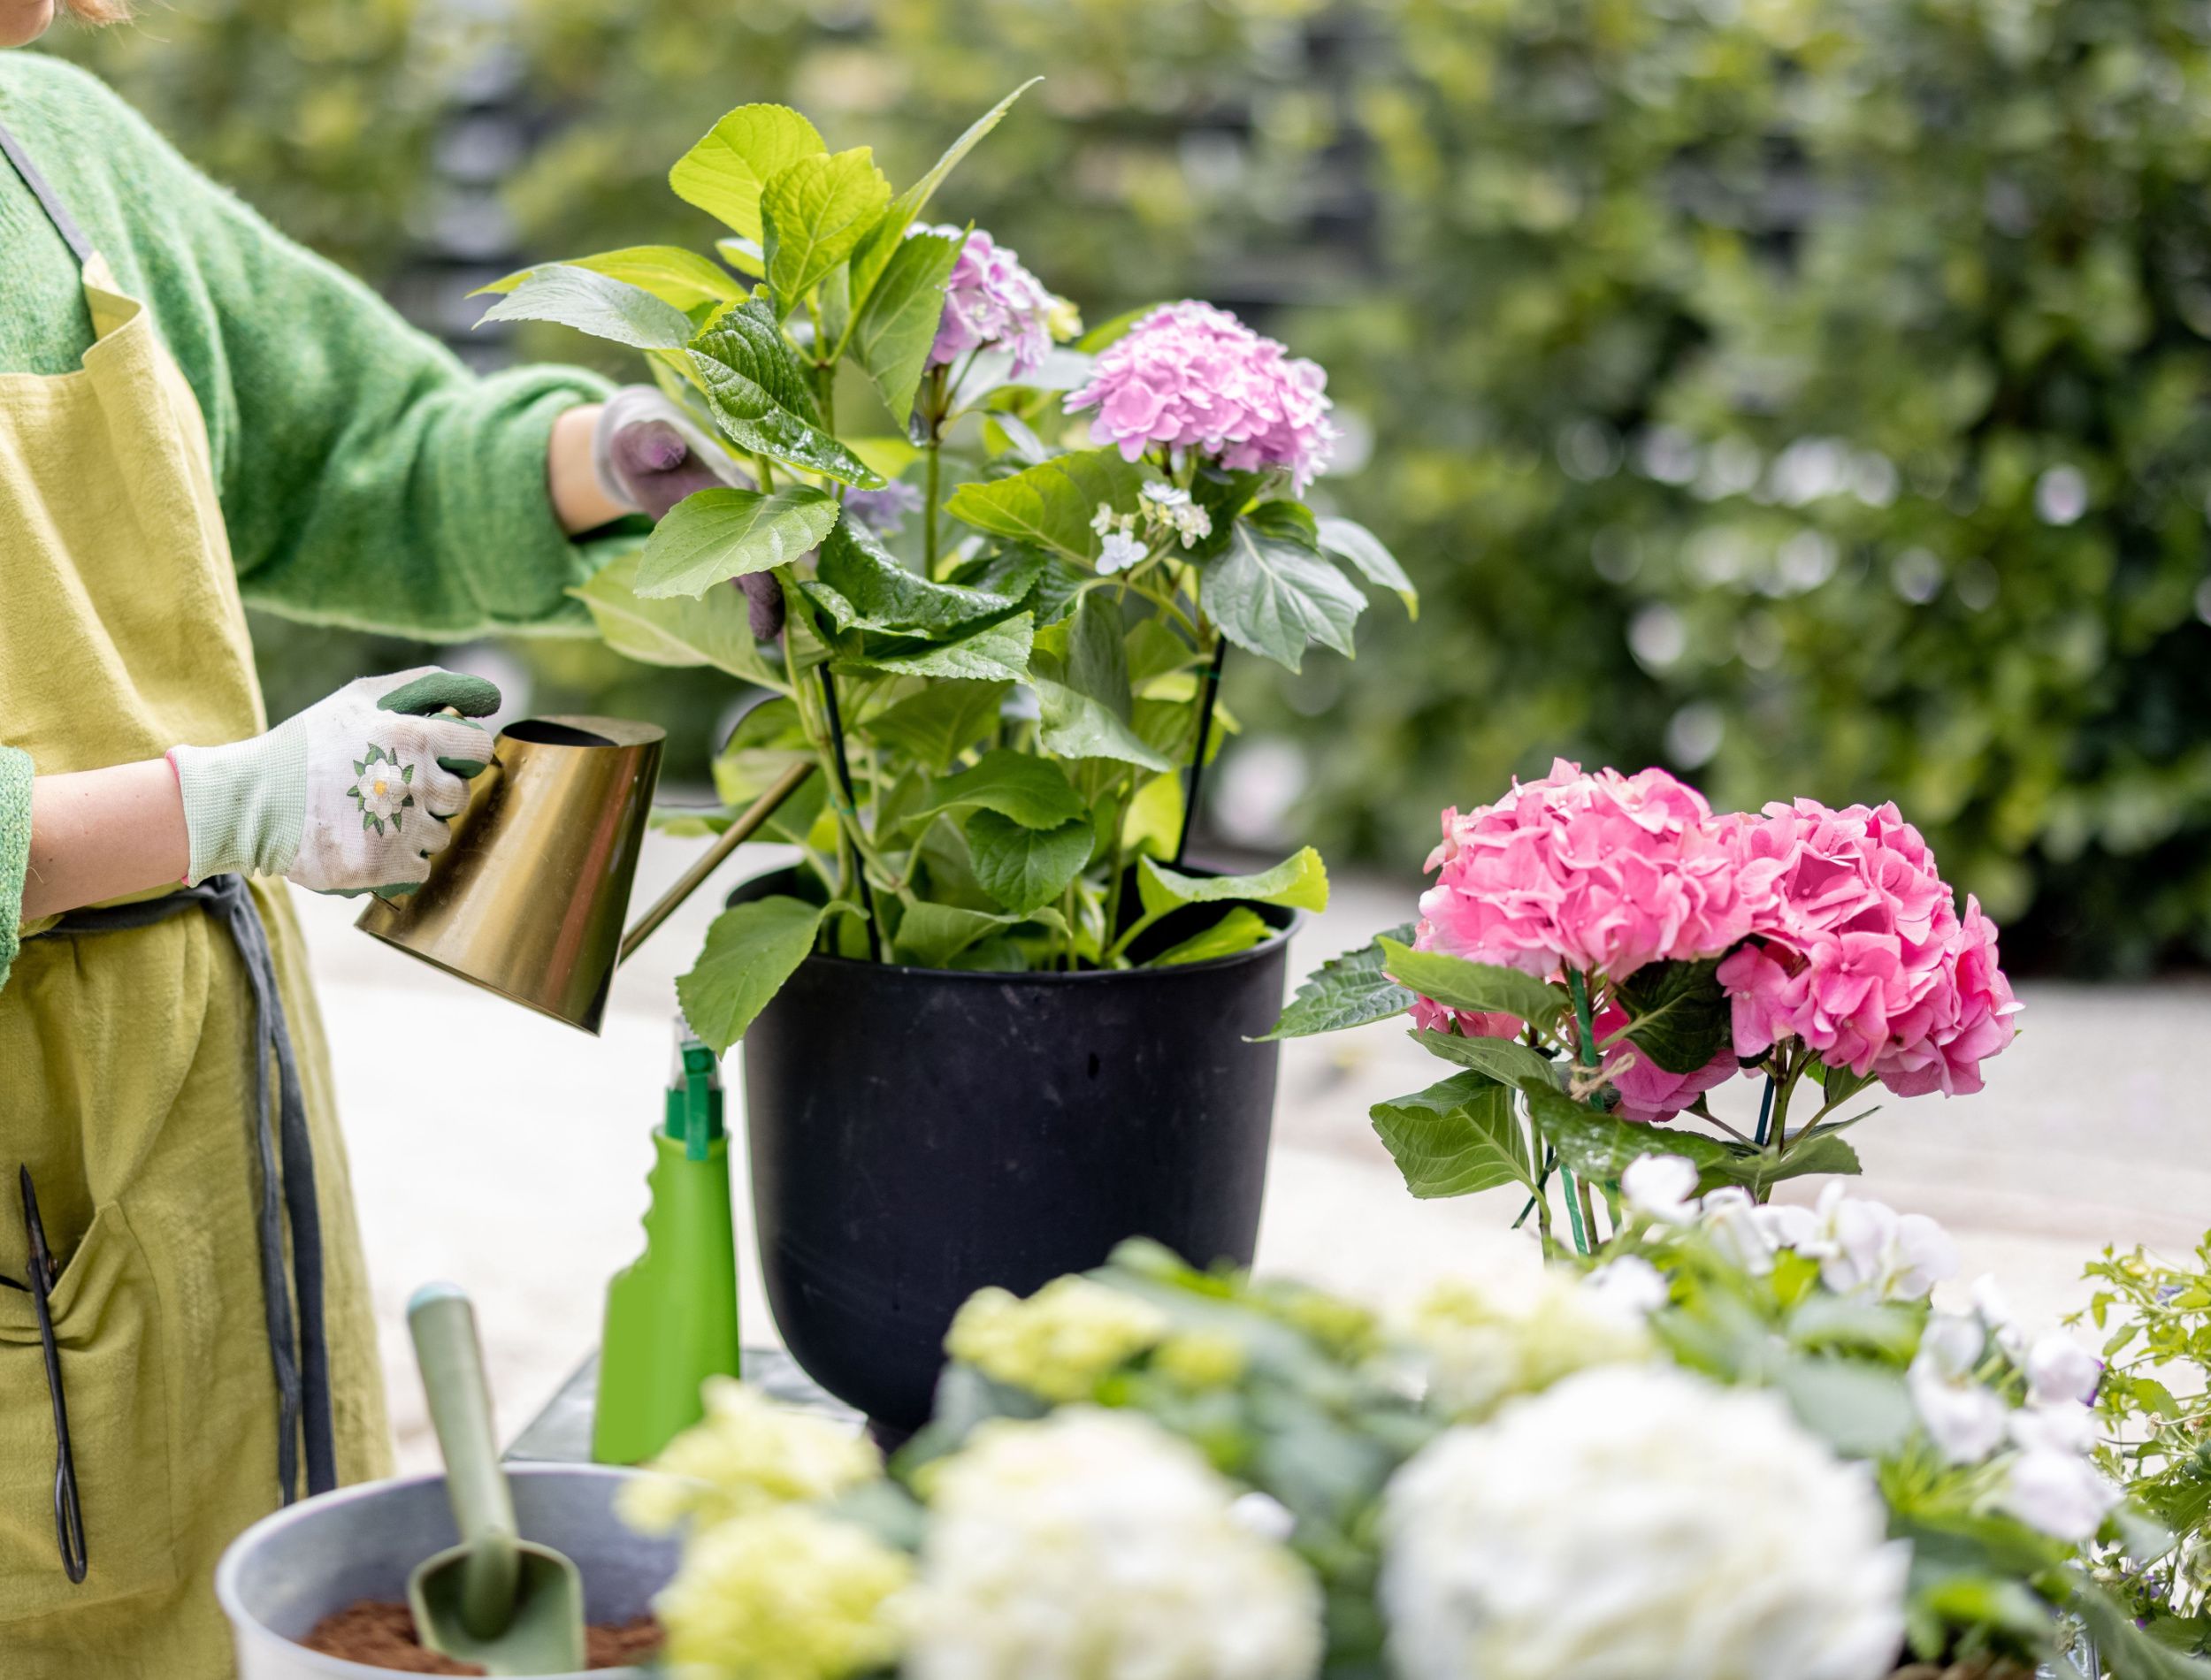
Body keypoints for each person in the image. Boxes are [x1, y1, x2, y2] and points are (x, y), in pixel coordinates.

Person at [0, 3, 738, 1672]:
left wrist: (606, 461)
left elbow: (349, 448)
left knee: (270, 1577)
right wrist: (215, 807)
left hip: (210, 1103)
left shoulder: (52, 151)